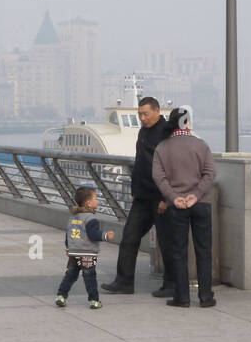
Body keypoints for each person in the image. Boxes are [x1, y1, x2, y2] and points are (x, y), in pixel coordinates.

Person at [101, 96, 179, 298]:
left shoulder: (166, 132)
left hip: (160, 197)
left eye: (145, 114)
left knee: (166, 242)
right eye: (140, 114)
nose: (142, 118)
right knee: (129, 237)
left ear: (157, 111)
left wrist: (166, 198)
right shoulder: (143, 131)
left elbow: (171, 166)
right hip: (142, 197)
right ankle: (124, 281)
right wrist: (135, 191)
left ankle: (171, 284)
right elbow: (141, 163)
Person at [151, 105, 217, 309]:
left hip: (176, 206)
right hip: (200, 204)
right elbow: (210, 174)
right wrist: (196, 195)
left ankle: (182, 297)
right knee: (204, 251)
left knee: (179, 251)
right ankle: (205, 297)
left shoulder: (162, 147)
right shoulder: (201, 145)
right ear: (187, 122)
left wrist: (173, 197)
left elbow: (158, 177)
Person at [55, 186, 111, 310]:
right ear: (89, 203)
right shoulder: (91, 219)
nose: (98, 201)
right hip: (87, 253)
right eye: (96, 199)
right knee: (89, 276)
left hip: (73, 252)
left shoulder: (73, 218)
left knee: (70, 275)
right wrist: (106, 235)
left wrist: (68, 249)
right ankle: (94, 300)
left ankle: (61, 295)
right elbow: (93, 234)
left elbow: (67, 236)